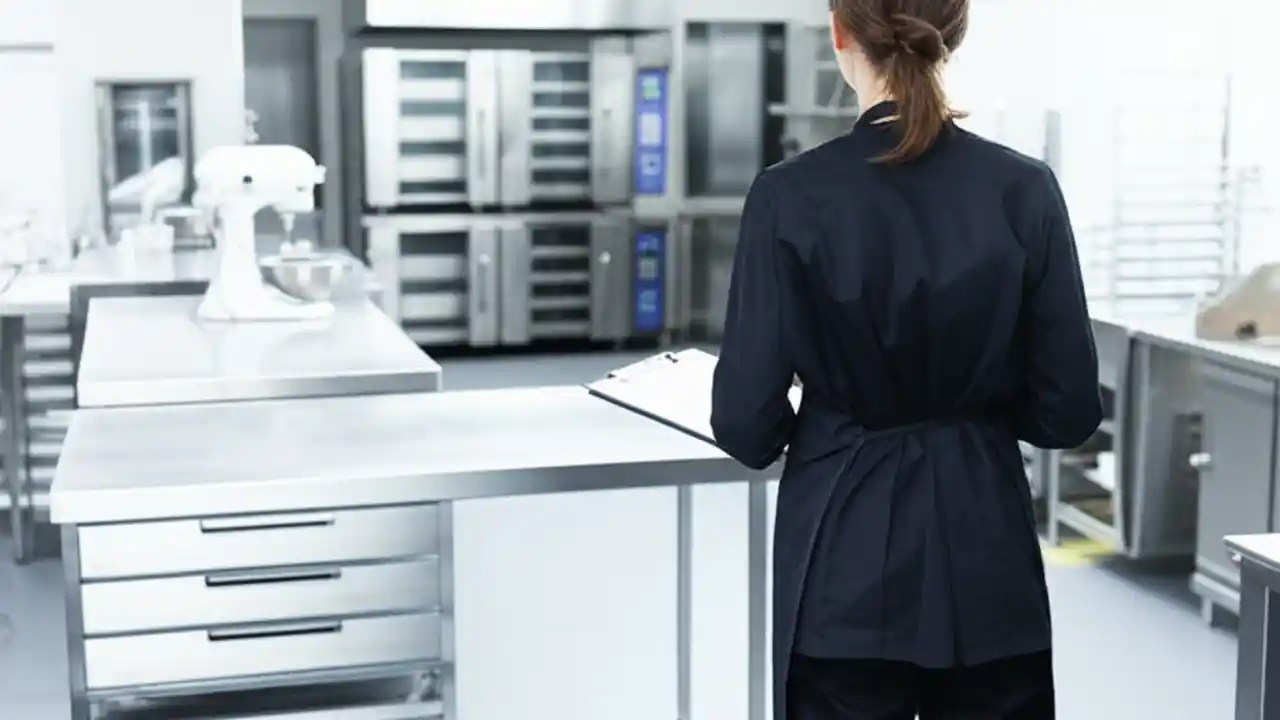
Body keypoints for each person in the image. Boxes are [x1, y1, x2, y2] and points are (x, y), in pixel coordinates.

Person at [709, 0, 1102, 718]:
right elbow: (1068, 410)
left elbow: (744, 423)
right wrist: (971, 408)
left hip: (841, 562)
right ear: (954, 33)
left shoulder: (789, 197)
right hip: (988, 557)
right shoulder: (1024, 189)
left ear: (840, 33)